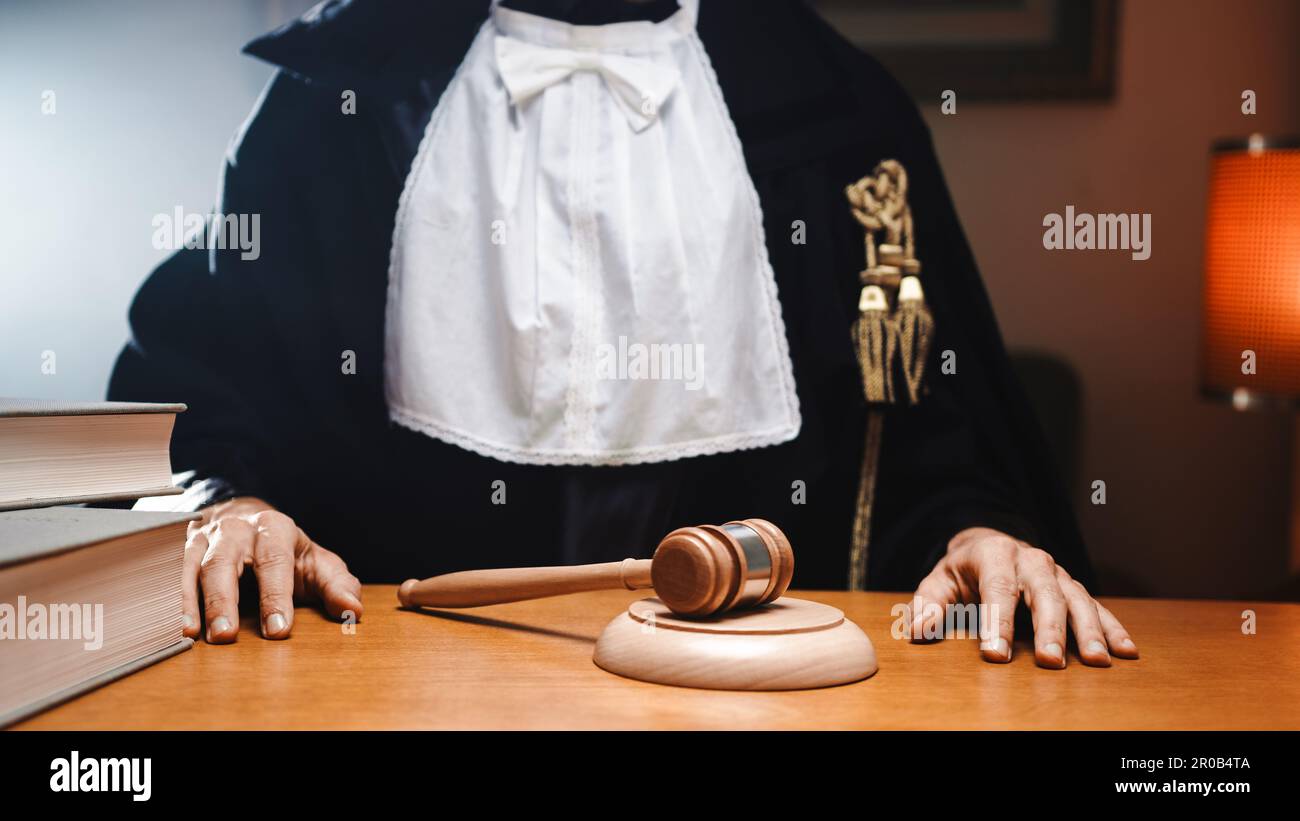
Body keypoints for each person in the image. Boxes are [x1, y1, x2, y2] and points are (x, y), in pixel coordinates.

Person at [110, 0, 1137, 668]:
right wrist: (224, 502)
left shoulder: (842, 120)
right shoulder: (327, 111)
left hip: (759, 699)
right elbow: (193, 407)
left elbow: (922, 444)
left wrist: (979, 539)